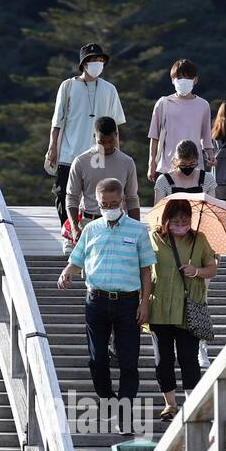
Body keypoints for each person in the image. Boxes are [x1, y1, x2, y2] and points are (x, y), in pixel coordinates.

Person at [57, 179, 156, 430]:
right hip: (96, 300)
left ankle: (125, 415)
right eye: (104, 204)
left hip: (127, 301)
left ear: (122, 200)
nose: (109, 207)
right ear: (97, 203)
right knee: (97, 358)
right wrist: (67, 271)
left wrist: (145, 302)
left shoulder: (138, 230)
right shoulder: (91, 229)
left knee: (128, 360)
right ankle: (107, 397)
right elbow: (77, 258)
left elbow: (147, 270)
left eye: (113, 203)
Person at [47, 43, 126, 251]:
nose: (97, 64)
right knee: (64, 193)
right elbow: (58, 120)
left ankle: (94, 235)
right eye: (92, 61)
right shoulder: (68, 86)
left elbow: (115, 126)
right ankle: (68, 234)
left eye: (100, 61)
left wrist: (115, 152)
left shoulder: (110, 89)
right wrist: (52, 148)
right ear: (83, 64)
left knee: (94, 195)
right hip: (69, 151)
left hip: (97, 152)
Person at [147, 199, 218, 420]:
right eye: (175, 220)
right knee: (163, 359)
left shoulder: (199, 239)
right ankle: (170, 404)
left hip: (188, 309)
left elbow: (212, 268)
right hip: (159, 307)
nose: (180, 223)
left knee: (188, 358)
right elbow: (144, 270)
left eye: (184, 219)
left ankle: (192, 402)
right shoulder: (154, 238)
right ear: (165, 219)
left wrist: (196, 271)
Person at [66, 116, 141, 234]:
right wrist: (75, 228)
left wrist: (136, 229)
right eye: (101, 142)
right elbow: (72, 197)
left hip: (118, 225)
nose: (106, 146)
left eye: (111, 141)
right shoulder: (81, 161)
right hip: (88, 224)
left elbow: (132, 198)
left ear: (116, 135)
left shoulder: (127, 162)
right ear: (94, 137)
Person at [148, 59, 215, 189]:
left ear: (195, 80)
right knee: (169, 207)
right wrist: (152, 163)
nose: (183, 80)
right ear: (172, 80)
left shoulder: (203, 105)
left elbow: (206, 137)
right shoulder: (163, 103)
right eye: (179, 77)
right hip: (168, 167)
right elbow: (154, 136)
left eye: (188, 77)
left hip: (194, 167)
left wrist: (211, 156)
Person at [153, 140, 218, 202]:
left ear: (197, 160)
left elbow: (211, 207)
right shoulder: (164, 180)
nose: (188, 167)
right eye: (183, 164)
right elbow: (158, 208)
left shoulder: (207, 179)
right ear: (175, 161)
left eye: (192, 164)